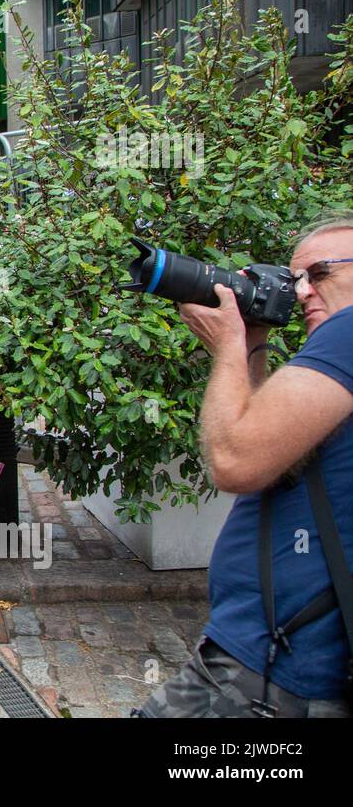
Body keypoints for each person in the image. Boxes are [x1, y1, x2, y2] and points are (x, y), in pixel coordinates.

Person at [139, 217, 353, 718]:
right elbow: (278, 461)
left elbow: (236, 461)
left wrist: (230, 346)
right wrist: (253, 345)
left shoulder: (348, 333)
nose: (301, 291)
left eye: (318, 272)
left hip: (278, 669)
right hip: (271, 656)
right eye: (294, 277)